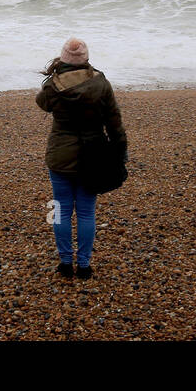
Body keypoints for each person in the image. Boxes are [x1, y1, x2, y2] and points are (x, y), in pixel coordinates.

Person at [36, 37, 128, 280]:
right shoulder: (100, 82)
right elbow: (114, 120)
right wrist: (120, 150)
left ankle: (66, 263)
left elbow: (42, 104)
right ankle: (84, 265)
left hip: (60, 156)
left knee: (60, 210)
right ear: (86, 58)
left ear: (63, 58)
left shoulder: (52, 86)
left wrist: (53, 75)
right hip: (93, 155)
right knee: (87, 212)